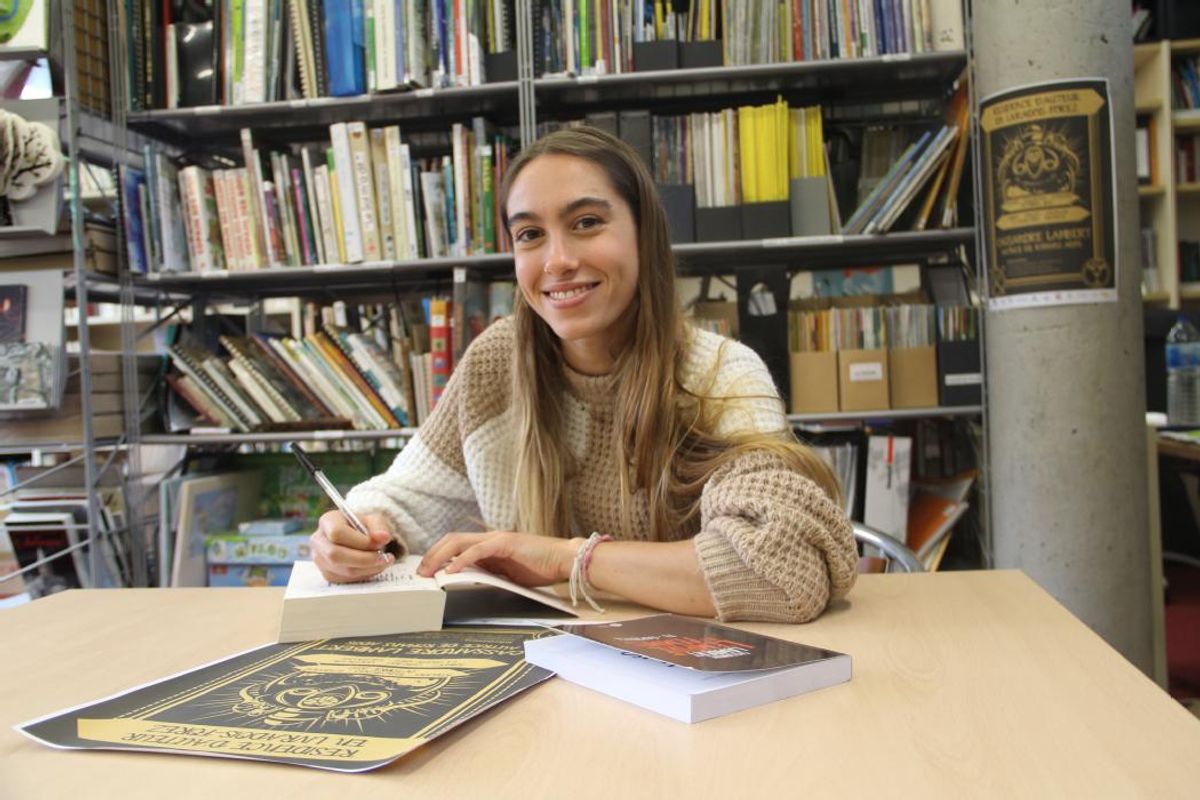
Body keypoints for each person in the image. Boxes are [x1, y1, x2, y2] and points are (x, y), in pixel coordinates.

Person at [310, 126, 857, 623]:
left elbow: (786, 570)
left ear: (643, 233)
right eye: (530, 234)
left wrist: (564, 558)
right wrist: (357, 529)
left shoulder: (720, 375)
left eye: (587, 223)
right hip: (546, 668)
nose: (557, 261)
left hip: (698, 674)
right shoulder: (496, 363)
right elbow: (406, 498)